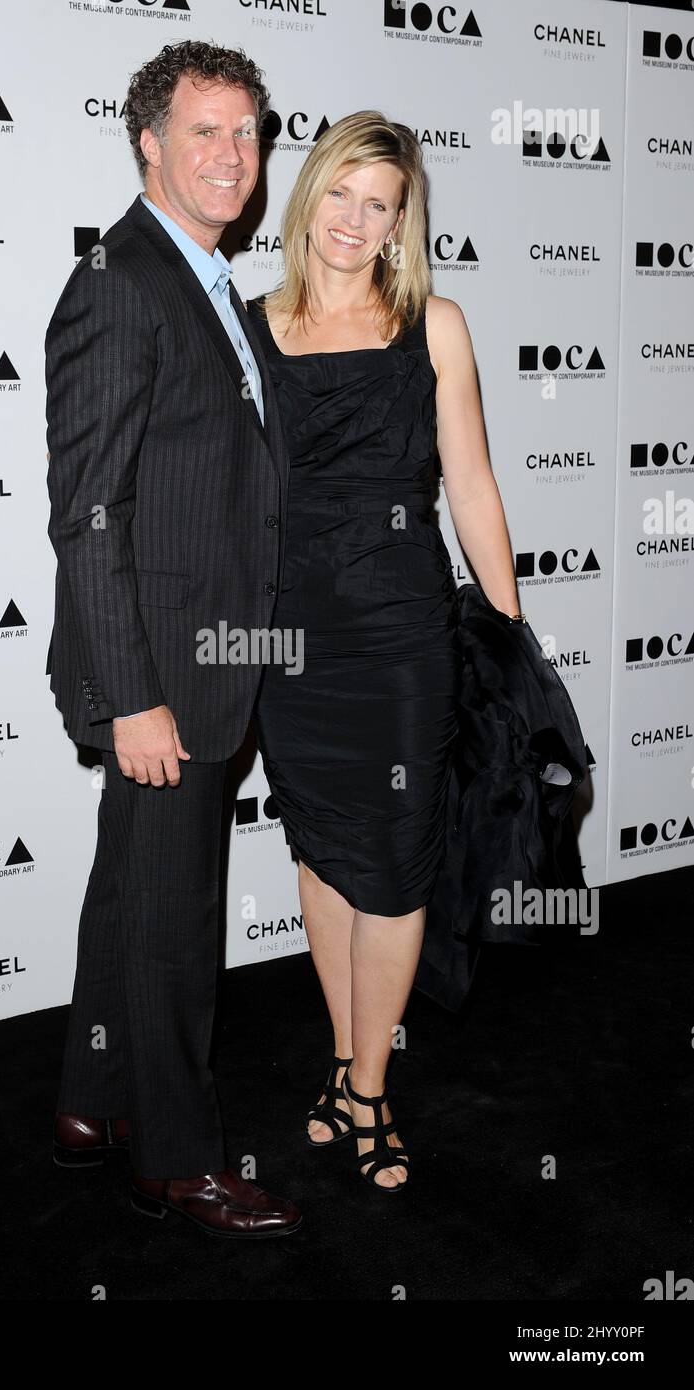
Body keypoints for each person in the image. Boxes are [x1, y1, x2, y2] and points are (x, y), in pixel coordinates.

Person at [44, 40, 301, 1238]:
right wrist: (133, 695)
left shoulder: (204, 274)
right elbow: (89, 512)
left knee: (130, 892)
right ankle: (177, 1162)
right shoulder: (122, 280)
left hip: (205, 653)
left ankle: (93, 1104)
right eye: (203, 130)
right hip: (160, 670)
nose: (230, 155)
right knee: (175, 915)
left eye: (246, 131)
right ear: (146, 140)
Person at [245, 112, 523, 1193]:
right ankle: (340, 1063)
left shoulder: (433, 325)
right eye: (343, 194)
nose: (356, 221)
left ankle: (368, 1087)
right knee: (320, 856)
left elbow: (475, 488)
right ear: (309, 194)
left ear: (404, 223)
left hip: (403, 636)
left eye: (382, 204)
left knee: (397, 870)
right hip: (291, 645)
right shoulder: (250, 329)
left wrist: (502, 635)